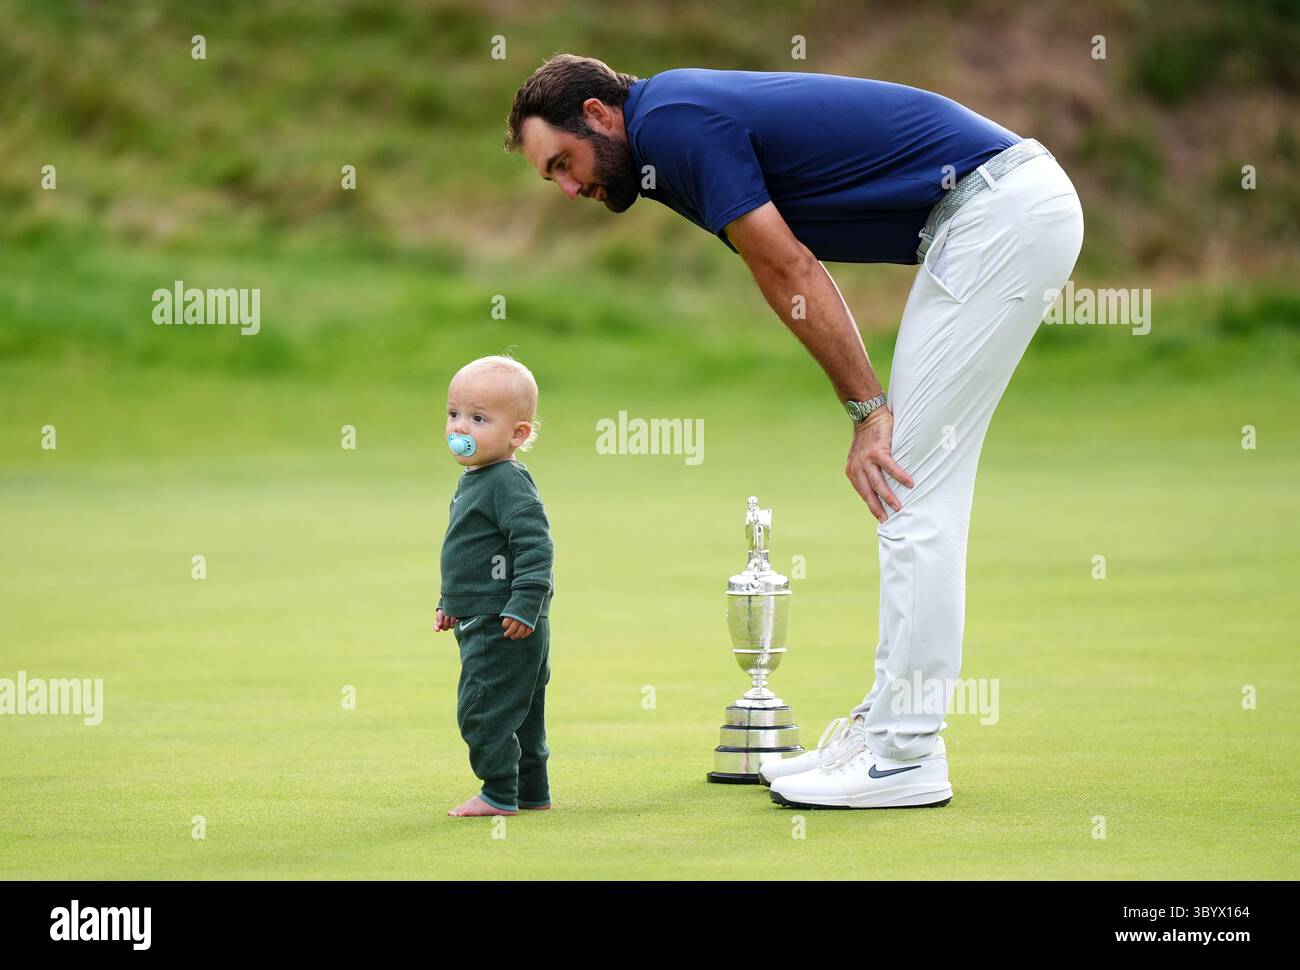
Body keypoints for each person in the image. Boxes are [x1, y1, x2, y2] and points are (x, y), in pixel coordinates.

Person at [504, 56, 1084, 809]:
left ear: (599, 114)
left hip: (997, 213)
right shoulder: (664, 134)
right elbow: (788, 269)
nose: (570, 189)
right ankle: (887, 731)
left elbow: (790, 268)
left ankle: (906, 756)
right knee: (914, 486)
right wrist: (867, 406)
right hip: (993, 215)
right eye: (552, 179)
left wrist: (867, 412)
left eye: (564, 163)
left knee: (908, 484)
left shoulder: (670, 124)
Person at [436, 355, 556, 817]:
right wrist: (450, 602)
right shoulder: (478, 477)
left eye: (478, 418)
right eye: (453, 414)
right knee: (520, 710)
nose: (459, 426)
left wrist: (525, 605)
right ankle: (532, 792)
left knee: (484, 708)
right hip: (485, 611)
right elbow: (468, 554)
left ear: (518, 434)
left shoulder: (506, 481)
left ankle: (498, 791)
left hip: (502, 620)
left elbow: (535, 548)